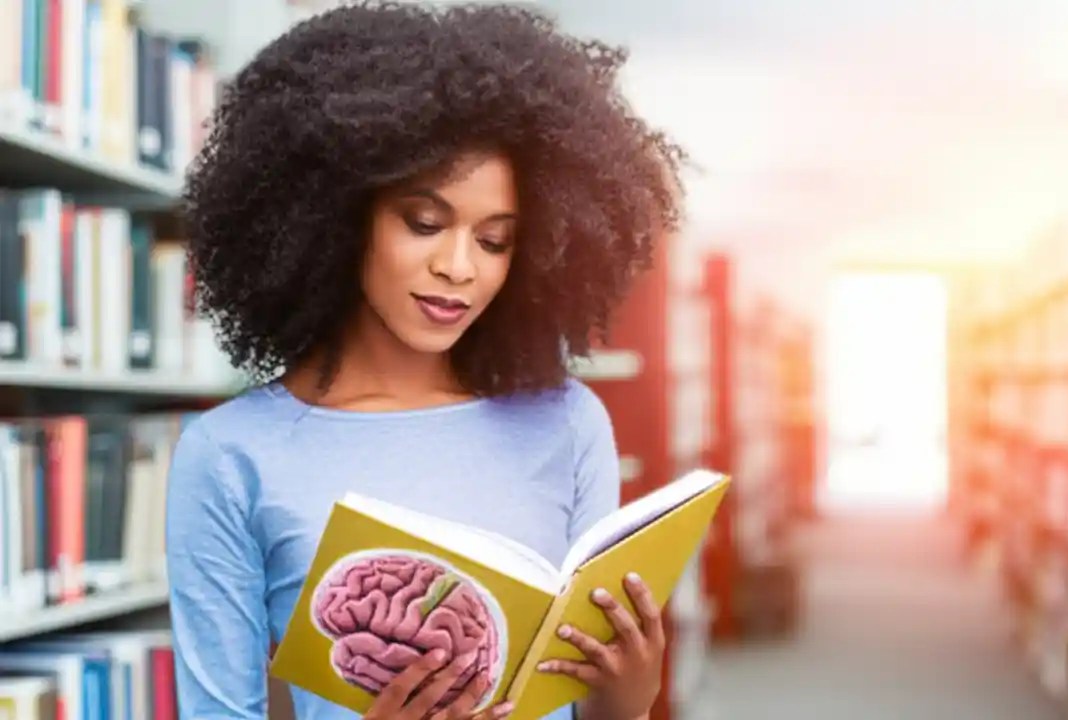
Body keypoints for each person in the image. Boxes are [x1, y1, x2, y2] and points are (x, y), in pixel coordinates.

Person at [163, 2, 685, 719]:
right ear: (340, 214)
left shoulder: (567, 422)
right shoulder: (227, 455)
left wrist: (628, 702)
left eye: (496, 240)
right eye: (424, 223)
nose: (458, 266)